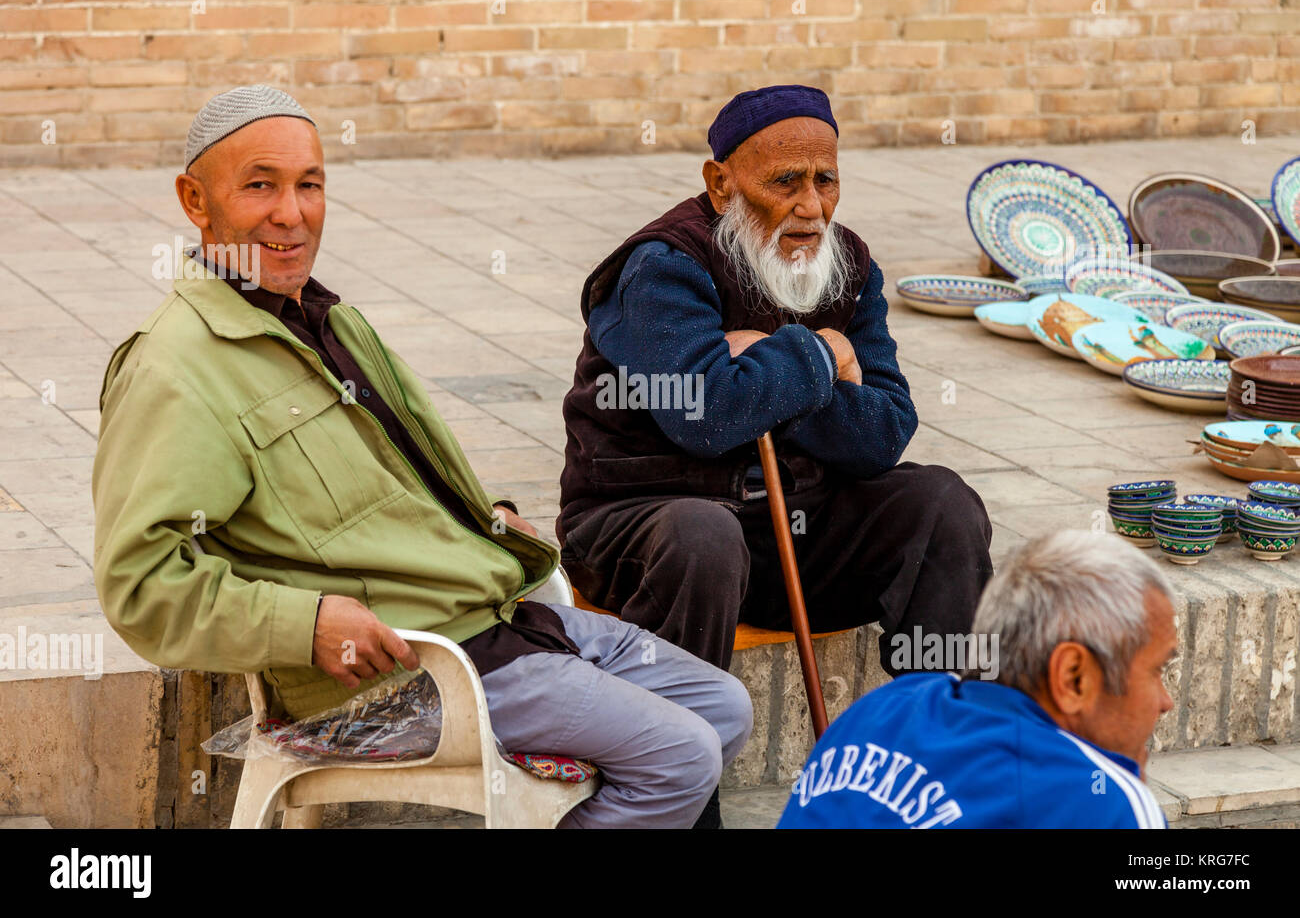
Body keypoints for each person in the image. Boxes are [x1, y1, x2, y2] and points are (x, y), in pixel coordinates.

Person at [92, 85, 751, 829]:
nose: (291, 213)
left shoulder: (328, 317)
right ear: (195, 200)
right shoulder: (175, 367)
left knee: (723, 706)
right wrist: (303, 623)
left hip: (494, 613)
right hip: (408, 669)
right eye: (259, 186)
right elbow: (140, 583)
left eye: (309, 185)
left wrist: (482, 520)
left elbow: (389, 480)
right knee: (682, 755)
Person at [558, 84, 993, 673]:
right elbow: (705, 415)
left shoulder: (849, 267)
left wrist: (761, 374)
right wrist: (819, 357)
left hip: (793, 530)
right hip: (648, 529)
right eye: (786, 182)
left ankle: (940, 727)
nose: (811, 206)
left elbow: (886, 431)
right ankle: (672, 750)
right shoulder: (663, 267)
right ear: (721, 184)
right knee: (704, 536)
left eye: (826, 181)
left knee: (941, 502)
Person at [778, 530, 1178, 829]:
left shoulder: (878, 711)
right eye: (1157, 670)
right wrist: (1125, 798)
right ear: (1073, 677)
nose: (1165, 701)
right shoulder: (1102, 806)